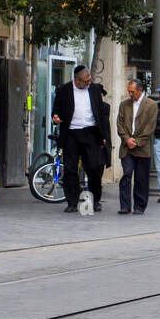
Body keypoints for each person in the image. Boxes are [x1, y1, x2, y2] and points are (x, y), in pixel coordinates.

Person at [51, 65, 111, 213]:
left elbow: (100, 114)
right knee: (71, 169)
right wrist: (56, 118)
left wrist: (104, 137)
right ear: (76, 80)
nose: (88, 83)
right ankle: (72, 201)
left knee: (94, 168)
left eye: (90, 79)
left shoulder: (95, 90)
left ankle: (94, 200)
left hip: (90, 133)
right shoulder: (63, 91)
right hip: (71, 133)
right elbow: (56, 111)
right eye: (86, 81)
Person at [116, 77, 157, 214]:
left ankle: (139, 206)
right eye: (129, 91)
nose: (130, 94)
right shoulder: (124, 105)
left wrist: (137, 141)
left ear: (140, 90)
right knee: (127, 174)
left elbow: (150, 128)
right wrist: (127, 139)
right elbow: (119, 124)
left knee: (141, 178)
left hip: (142, 147)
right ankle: (125, 205)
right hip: (127, 146)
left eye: (132, 92)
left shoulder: (151, 105)